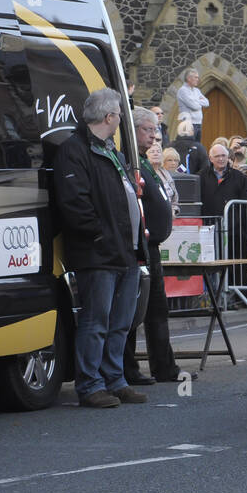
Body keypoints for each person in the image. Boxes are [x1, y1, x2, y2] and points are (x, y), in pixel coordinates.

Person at [51, 87, 148, 408]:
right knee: (96, 320)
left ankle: (115, 379)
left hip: (125, 250)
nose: (121, 121)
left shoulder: (111, 152)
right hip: (99, 252)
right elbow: (74, 202)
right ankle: (90, 384)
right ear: (109, 117)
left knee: (121, 321)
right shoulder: (74, 150)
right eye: (119, 115)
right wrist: (99, 236)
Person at [124, 108, 183, 386]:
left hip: (153, 247)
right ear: (134, 129)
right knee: (135, 310)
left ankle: (165, 367)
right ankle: (129, 369)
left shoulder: (144, 162)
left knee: (158, 310)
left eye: (155, 130)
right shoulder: (127, 160)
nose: (154, 136)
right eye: (148, 130)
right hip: (139, 248)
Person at [197, 141, 247, 222]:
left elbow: (245, 201)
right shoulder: (201, 176)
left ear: (228, 157)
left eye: (223, 155)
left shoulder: (239, 177)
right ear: (211, 159)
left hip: (233, 226)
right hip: (209, 224)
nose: (221, 159)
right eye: (217, 156)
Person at [176, 68, 209, 141]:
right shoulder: (183, 90)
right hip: (188, 124)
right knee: (189, 145)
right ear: (189, 78)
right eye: (196, 77)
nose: (198, 79)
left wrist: (195, 100)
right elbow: (195, 106)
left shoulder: (197, 91)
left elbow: (207, 103)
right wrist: (199, 101)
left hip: (198, 123)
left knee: (197, 146)